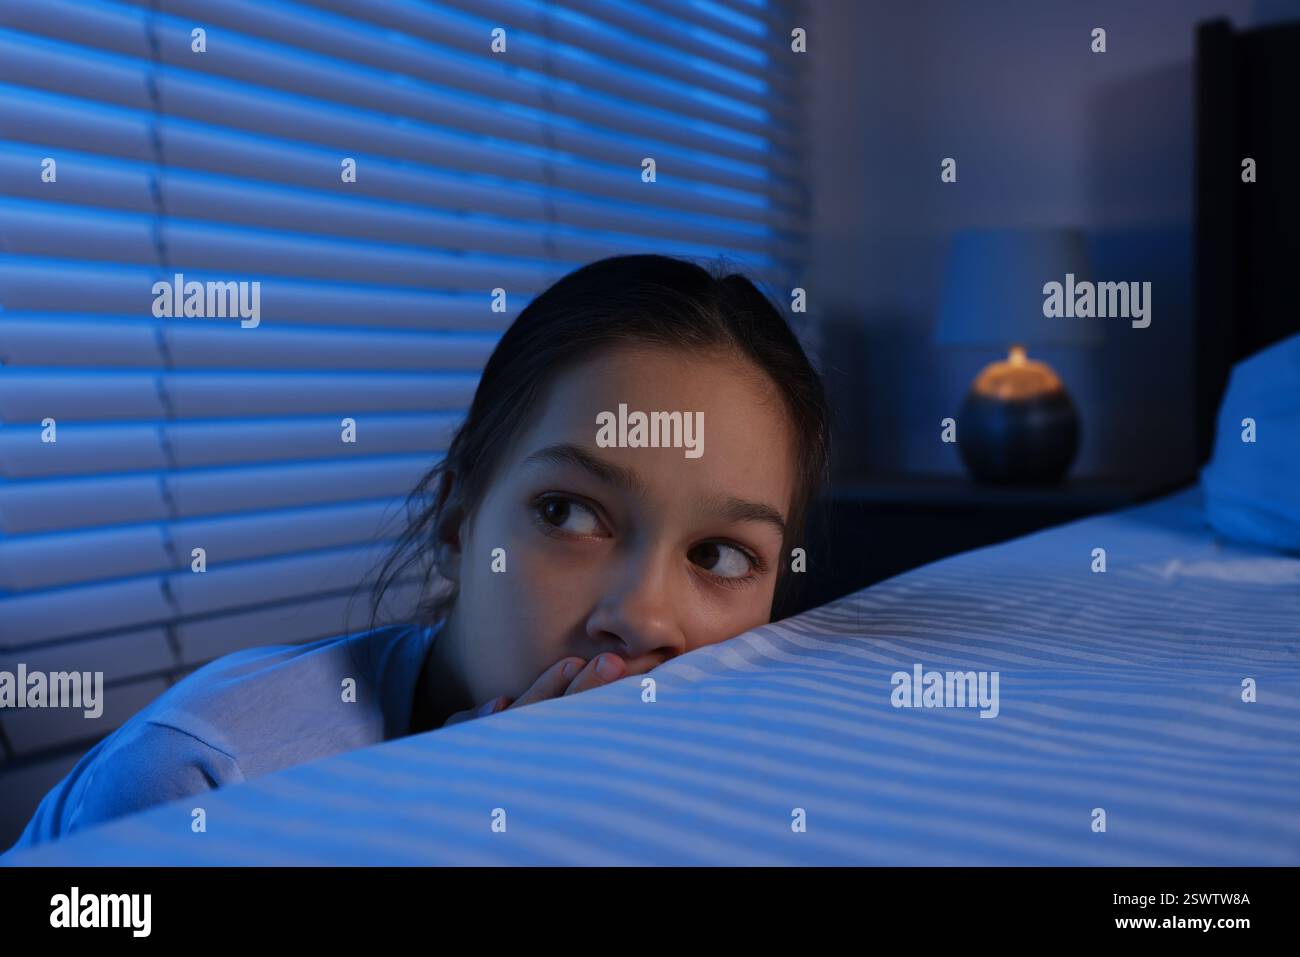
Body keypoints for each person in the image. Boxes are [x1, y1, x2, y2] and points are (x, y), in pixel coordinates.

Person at [4, 253, 830, 853]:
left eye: (720, 557)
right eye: (569, 511)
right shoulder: (200, 778)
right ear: (458, 521)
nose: (642, 617)